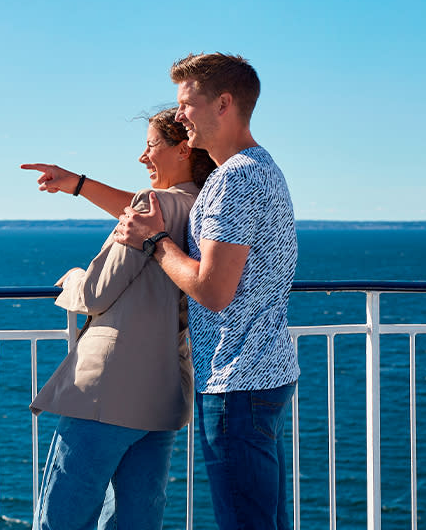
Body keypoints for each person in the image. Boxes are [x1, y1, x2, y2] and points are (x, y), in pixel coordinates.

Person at [113, 53, 299, 529]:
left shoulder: (233, 179)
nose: (179, 117)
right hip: (268, 372)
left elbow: (214, 290)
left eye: (186, 104)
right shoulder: (264, 168)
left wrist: (155, 242)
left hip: (237, 383)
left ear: (223, 104)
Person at [22, 107, 217, 530]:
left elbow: (94, 293)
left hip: (107, 391)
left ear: (183, 149)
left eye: (150, 146)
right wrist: (76, 184)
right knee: (137, 518)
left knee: (63, 517)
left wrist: (73, 279)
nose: (143, 158)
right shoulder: (206, 208)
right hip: (164, 390)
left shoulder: (152, 204)